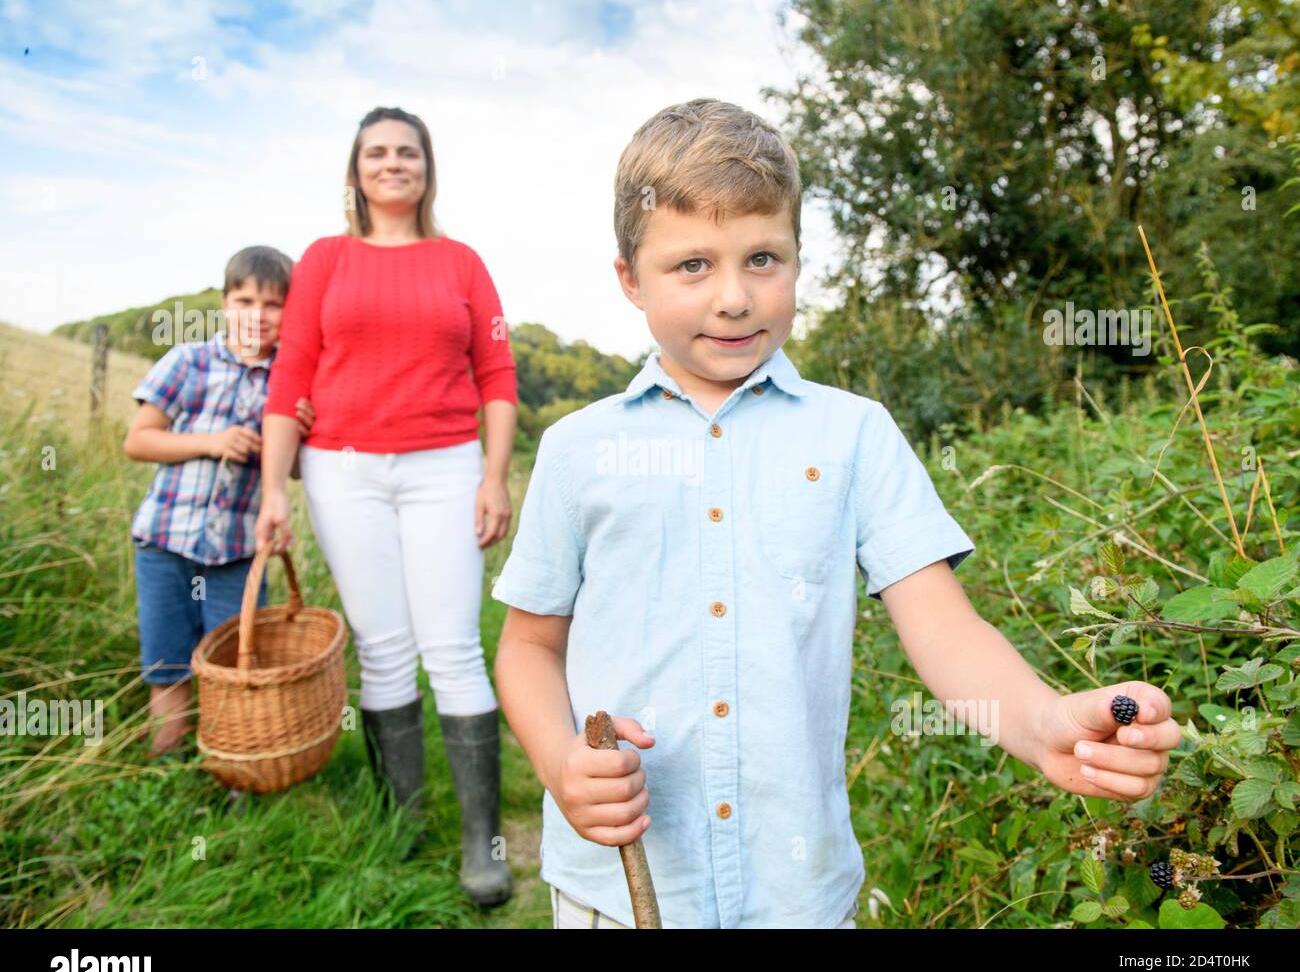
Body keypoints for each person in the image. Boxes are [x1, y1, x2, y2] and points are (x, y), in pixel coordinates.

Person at [489, 98, 1181, 929]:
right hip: (618, 891)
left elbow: (942, 626)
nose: (736, 298)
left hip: (797, 893)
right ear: (629, 279)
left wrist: (1038, 724)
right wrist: (561, 760)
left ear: (799, 261)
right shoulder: (576, 449)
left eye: (763, 258)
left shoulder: (855, 434)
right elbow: (529, 648)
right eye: (692, 266)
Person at [255, 107, 519, 906]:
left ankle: (483, 842)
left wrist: (495, 474)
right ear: (356, 170)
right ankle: (400, 830)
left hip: (445, 466)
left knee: (454, 649)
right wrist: (273, 486)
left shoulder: (460, 261)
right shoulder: (326, 260)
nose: (392, 163)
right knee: (384, 650)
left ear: (426, 169)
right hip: (341, 471)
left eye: (407, 152)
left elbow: (497, 376)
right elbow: (291, 372)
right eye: (377, 152)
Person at [124, 246, 313, 757]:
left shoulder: (290, 381)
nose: (257, 315)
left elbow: (295, 471)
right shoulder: (189, 361)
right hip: (165, 542)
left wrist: (301, 431)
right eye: (244, 300)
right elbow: (138, 440)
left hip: (237, 553)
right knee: (167, 665)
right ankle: (166, 771)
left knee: (239, 666)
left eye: (273, 305)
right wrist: (211, 441)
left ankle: (236, 775)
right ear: (225, 302)